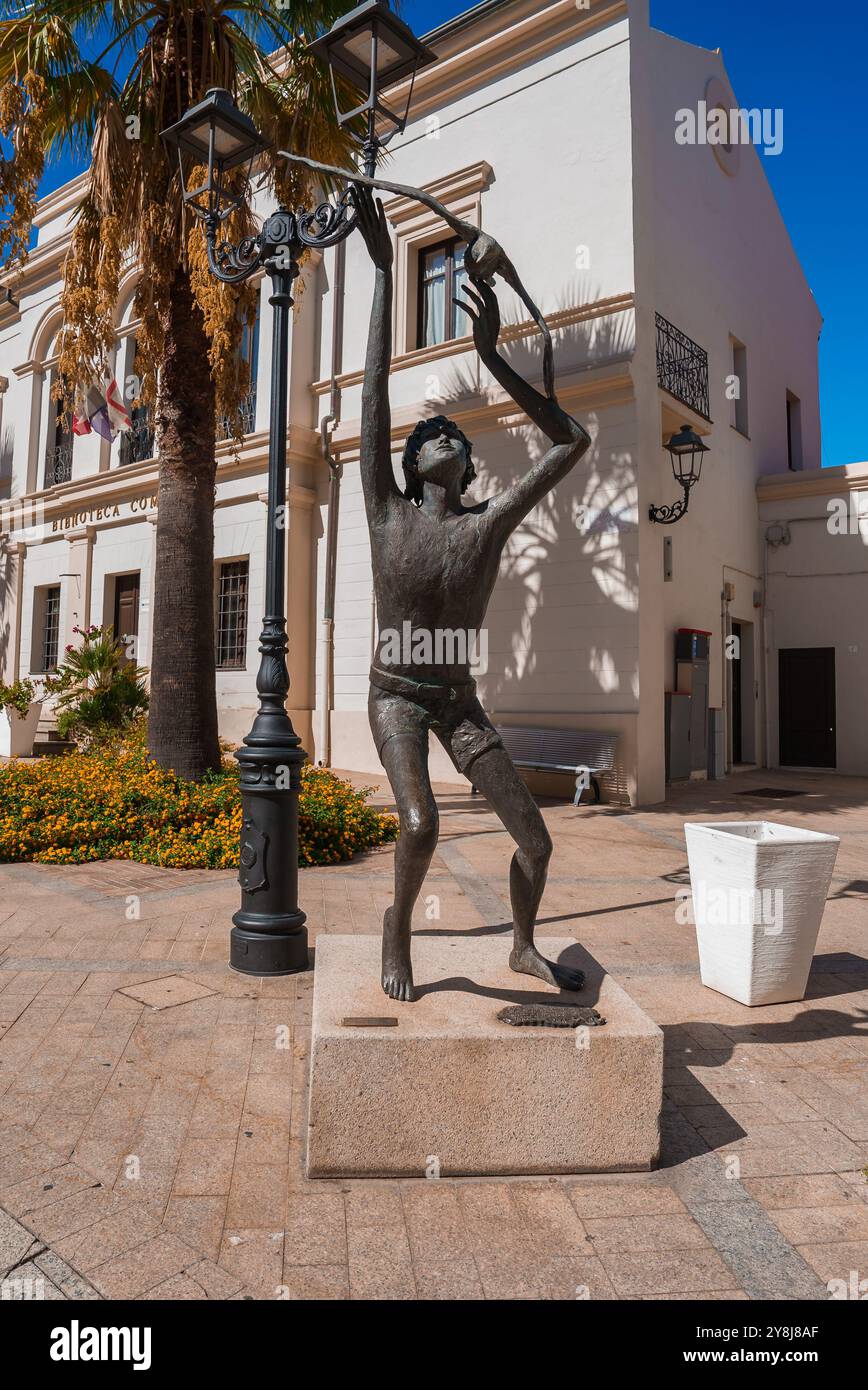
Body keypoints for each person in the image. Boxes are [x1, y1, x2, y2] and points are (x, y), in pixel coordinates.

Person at [353, 185, 591, 1002]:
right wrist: (384, 271)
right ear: (413, 463)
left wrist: (494, 358)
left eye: (452, 434)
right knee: (420, 825)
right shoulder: (384, 513)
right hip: (396, 699)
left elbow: (572, 440)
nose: (442, 438)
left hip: (458, 703)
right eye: (429, 438)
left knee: (537, 842)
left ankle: (522, 945)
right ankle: (398, 931)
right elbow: (375, 390)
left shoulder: (487, 524)